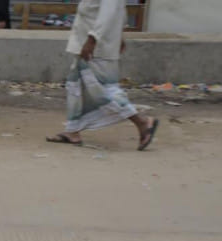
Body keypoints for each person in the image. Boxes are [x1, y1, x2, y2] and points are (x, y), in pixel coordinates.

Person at [46, 0, 158, 150]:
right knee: (77, 87)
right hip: (89, 43)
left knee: (103, 91)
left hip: (97, 48)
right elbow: (119, 13)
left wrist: (92, 40)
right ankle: (72, 132)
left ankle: (142, 122)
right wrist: (119, 36)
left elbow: (108, 13)